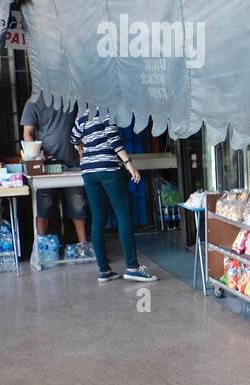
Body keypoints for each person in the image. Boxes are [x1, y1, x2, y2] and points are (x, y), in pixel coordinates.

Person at [69, 106, 158, 283]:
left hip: (88, 171)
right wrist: (128, 163)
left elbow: (73, 137)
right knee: (123, 214)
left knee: (98, 219)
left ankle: (104, 270)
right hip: (108, 168)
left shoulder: (82, 116)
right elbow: (113, 139)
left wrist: (79, 146)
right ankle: (132, 267)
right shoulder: (105, 111)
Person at [20, 94, 88, 244]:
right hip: (45, 166)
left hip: (72, 163)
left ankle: (83, 246)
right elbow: (28, 134)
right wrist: (38, 154)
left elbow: (82, 125)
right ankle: (42, 247)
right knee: (43, 206)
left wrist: (83, 146)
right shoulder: (34, 101)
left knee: (78, 204)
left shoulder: (72, 99)